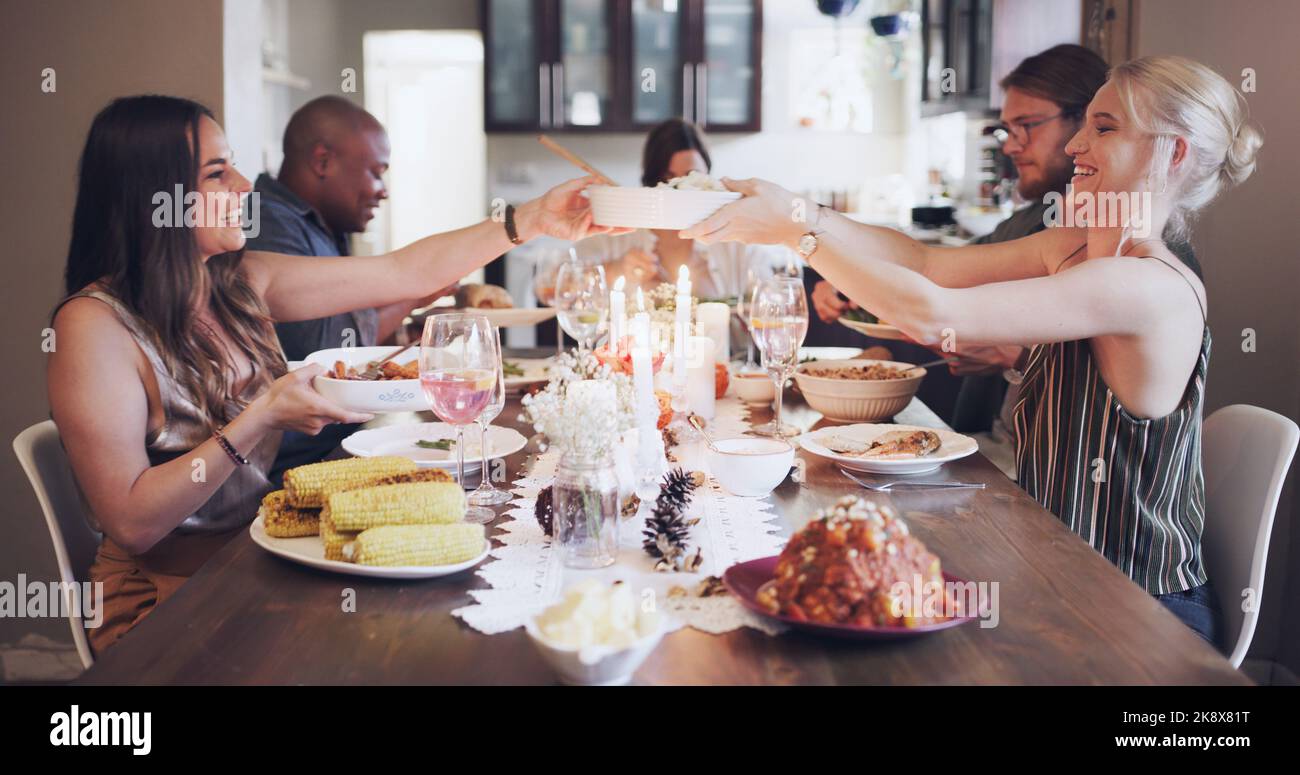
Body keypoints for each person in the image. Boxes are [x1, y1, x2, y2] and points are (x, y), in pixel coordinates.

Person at [682, 56, 1263, 646]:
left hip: (1138, 609)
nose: (1080, 144)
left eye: (1106, 128)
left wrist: (796, 234)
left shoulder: (1149, 286)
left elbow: (935, 313)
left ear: (1174, 152)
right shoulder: (1073, 248)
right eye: (1085, 124)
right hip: (1062, 567)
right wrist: (798, 208)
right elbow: (924, 263)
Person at [47, 95, 612, 653]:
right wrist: (259, 416)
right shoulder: (94, 327)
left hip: (259, 556)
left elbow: (402, 271)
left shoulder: (239, 283)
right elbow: (133, 523)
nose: (245, 186)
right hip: (170, 603)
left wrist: (531, 219)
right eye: (217, 173)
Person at [246, 97, 453, 479]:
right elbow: (331, 348)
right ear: (322, 161)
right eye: (376, 172)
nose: (383, 190)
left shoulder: (321, 222)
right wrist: (422, 289)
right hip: (295, 465)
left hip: (339, 441)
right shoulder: (268, 223)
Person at [574, 119, 794, 302]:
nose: (679, 193)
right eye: (668, 180)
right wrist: (615, 271)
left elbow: (773, 302)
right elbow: (551, 288)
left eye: (692, 178)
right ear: (651, 182)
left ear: (708, 178)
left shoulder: (737, 243)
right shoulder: (615, 233)